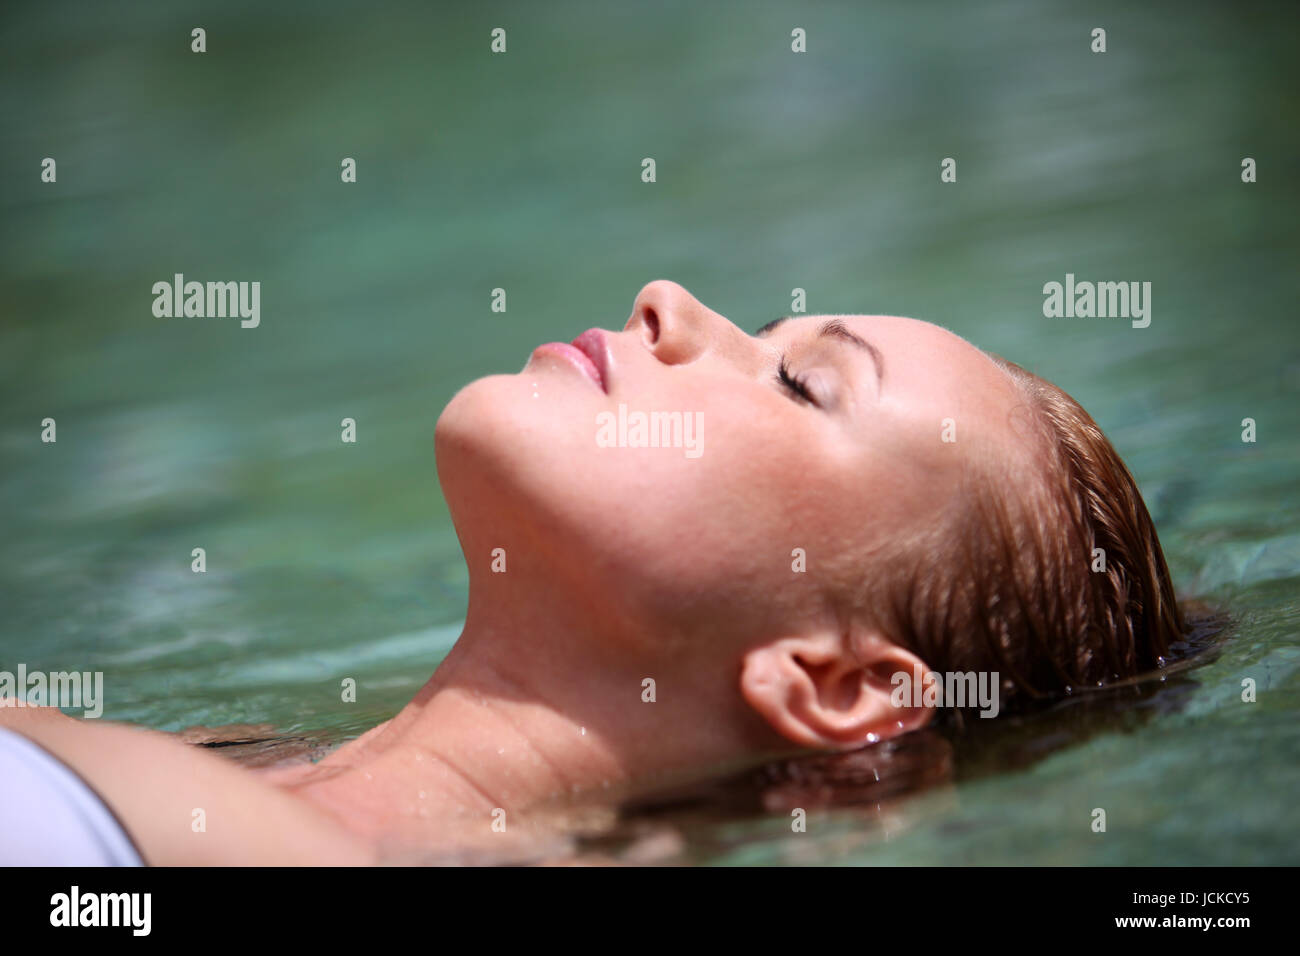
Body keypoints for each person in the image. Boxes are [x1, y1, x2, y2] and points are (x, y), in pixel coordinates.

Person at [0, 280, 1186, 866]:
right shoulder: (224, 779)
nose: (668, 301)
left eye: (796, 382)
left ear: (830, 686)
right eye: (769, 332)